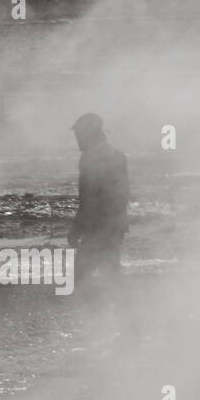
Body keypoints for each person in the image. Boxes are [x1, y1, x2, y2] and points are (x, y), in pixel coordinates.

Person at [68, 113, 136, 336]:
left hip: (99, 227)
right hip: (114, 225)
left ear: (89, 134)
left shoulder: (90, 159)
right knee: (110, 273)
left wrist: (77, 228)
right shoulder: (117, 155)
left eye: (79, 134)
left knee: (80, 276)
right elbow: (123, 193)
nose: (77, 139)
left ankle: (101, 322)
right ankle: (126, 323)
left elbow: (87, 197)